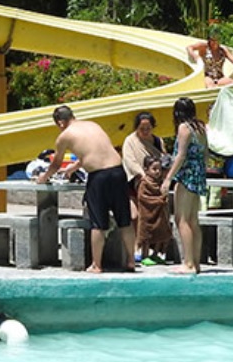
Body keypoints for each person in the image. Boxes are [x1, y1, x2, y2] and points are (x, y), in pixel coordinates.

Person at [36, 106, 137, 273]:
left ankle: (97, 265)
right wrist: (73, 168)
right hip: (118, 171)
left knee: (98, 222)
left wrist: (44, 177)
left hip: (99, 177)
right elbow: (95, 152)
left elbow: (56, 163)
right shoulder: (93, 125)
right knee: (124, 219)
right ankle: (131, 261)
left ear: (60, 122)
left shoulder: (65, 136)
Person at [163, 97, 208, 274]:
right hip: (198, 175)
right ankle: (196, 263)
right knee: (193, 220)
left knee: (181, 219)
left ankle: (188, 263)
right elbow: (205, 154)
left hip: (186, 176)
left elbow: (180, 156)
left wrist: (168, 178)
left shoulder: (184, 128)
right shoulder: (201, 128)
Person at [121, 111, 165, 256]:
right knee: (135, 216)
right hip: (134, 183)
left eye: (148, 128)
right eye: (142, 129)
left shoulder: (158, 141)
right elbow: (129, 161)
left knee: (154, 217)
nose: (145, 132)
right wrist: (143, 175)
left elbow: (164, 160)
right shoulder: (130, 141)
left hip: (154, 186)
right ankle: (136, 246)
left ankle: (150, 249)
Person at [135, 155, 173, 265]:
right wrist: (159, 200)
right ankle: (144, 255)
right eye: (154, 169)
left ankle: (156, 254)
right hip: (147, 213)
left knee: (161, 234)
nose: (157, 172)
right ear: (146, 169)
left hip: (160, 213)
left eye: (159, 169)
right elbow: (143, 197)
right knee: (147, 235)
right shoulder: (144, 182)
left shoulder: (160, 182)